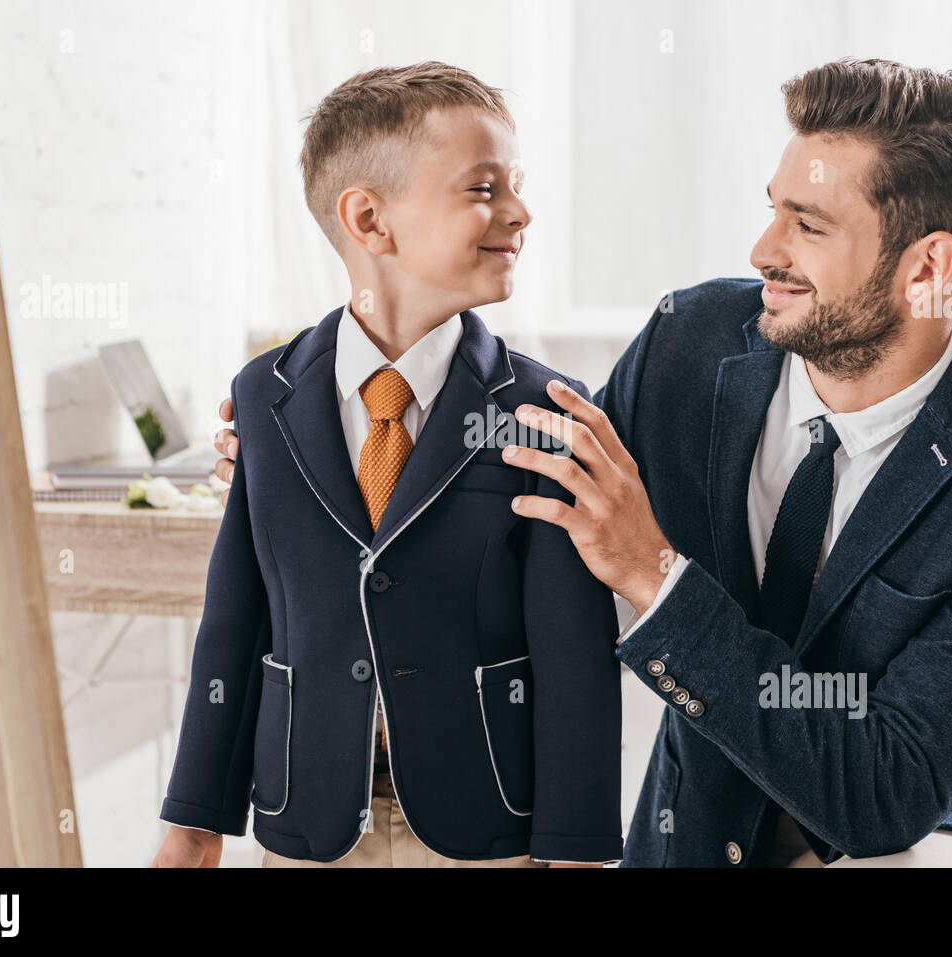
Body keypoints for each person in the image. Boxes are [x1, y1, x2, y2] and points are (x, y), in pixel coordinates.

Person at [213, 58, 952, 867]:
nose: (763, 251)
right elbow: (516, 498)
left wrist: (655, 572)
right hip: (711, 806)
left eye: (806, 225)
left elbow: (881, 793)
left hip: (935, 816)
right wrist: (323, 446)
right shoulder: (693, 342)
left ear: (929, 268)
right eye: (772, 211)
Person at [152, 62, 622, 868]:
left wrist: (575, 850)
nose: (520, 212)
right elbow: (235, 622)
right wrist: (194, 825)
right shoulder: (263, 397)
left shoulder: (544, 408)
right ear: (370, 219)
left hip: (484, 832)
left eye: (517, 185)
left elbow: (573, 656)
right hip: (307, 823)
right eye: (483, 189)